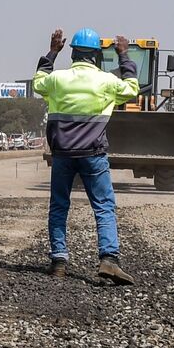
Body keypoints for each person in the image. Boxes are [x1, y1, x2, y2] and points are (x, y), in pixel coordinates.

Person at [33, 28, 141, 284]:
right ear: (96, 55)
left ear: (72, 54)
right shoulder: (106, 81)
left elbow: (38, 82)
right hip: (93, 154)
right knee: (103, 206)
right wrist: (124, 55)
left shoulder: (58, 80)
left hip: (62, 155)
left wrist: (51, 52)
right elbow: (132, 89)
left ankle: (59, 261)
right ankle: (109, 259)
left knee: (59, 206)